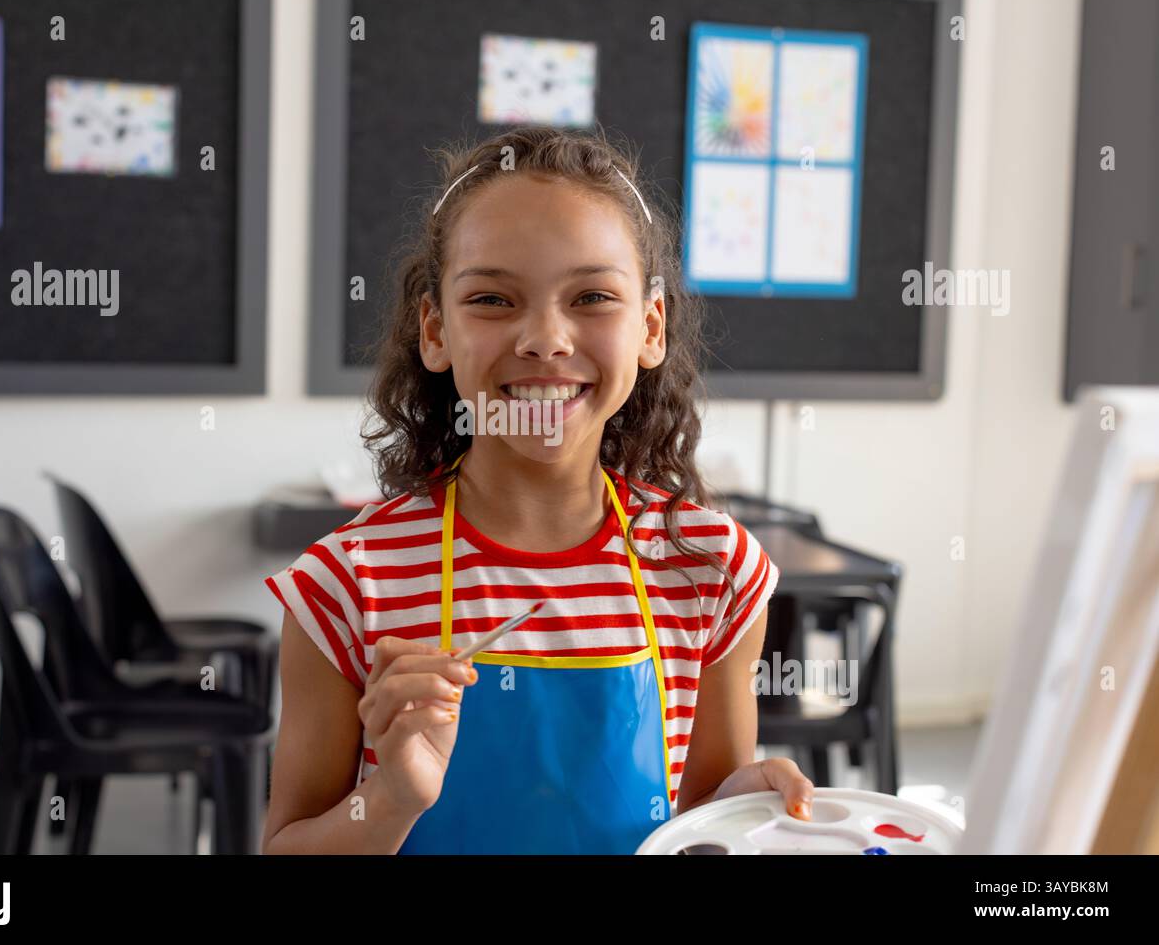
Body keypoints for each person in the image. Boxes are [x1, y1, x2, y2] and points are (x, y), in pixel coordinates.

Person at [262, 125, 813, 854]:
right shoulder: (346, 585)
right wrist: (391, 798)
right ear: (435, 330)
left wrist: (739, 806)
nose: (545, 338)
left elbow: (694, 814)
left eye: (591, 296)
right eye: (493, 298)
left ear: (651, 328)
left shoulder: (712, 570)